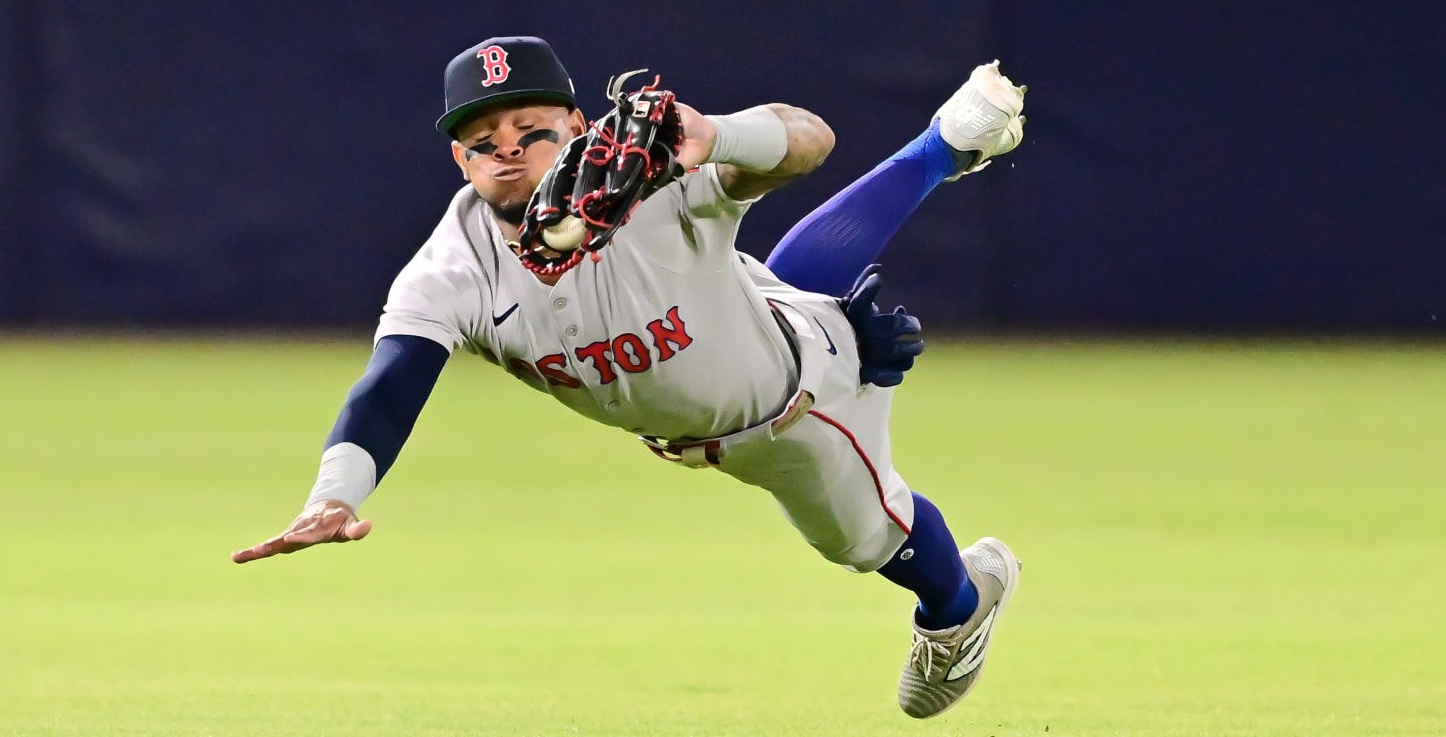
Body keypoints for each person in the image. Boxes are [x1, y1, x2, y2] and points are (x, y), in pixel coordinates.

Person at [232, 36, 1028, 719]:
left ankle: (961, 608)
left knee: (866, 542)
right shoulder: (451, 268)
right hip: (742, 326)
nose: (507, 148)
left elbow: (809, 138)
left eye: (530, 128)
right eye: (482, 138)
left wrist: (714, 134)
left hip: (794, 407)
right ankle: (945, 145)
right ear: (458, 159)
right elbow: (391, 385)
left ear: (579, 127)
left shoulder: (653, 176)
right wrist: (334, 495)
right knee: (775, 286)